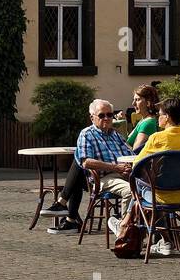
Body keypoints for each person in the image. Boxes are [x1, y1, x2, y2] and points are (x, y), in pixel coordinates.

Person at [119, 97, 180, 257]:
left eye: (160, 114)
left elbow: (137, 164)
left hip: (161, 196)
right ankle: (160, 238)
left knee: (138, 182)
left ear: (168, 117)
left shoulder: (157, 138)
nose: (158, 117)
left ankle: (127, 223)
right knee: (146, 185)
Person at [47, 98, 134, 233]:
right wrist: (116, 167)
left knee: (149, 188)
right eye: (101, 115)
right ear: (92, 118)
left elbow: (131, 153)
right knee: (130, 190)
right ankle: (125, 231)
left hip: (124, 173)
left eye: (109, 115)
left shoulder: (116, 135)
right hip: (104, 177)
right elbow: (86, 162)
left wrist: (128, 166)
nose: (106, 118)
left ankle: (154, 234)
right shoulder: (87, 134)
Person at [126, 85, 161, 153]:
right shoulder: (144, 120)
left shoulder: (148, 124)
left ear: (148, 103)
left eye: (137, 100)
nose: (133, 103)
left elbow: (135, 152)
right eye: (134, 100)